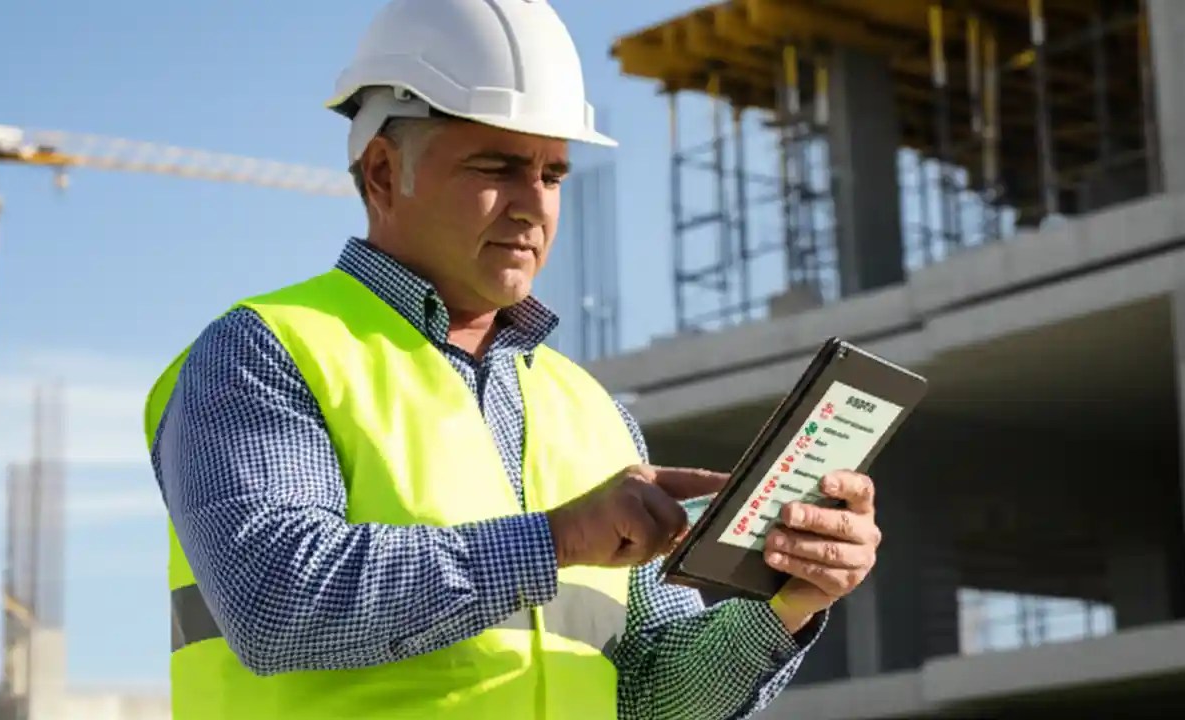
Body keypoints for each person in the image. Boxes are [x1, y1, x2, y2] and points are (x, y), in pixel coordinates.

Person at [143, 1, 883, 718]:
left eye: (553, 174)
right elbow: (276, 602)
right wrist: (558, 539)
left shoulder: (595, 414)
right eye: (497, 167)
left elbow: (653, 699)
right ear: (379, 174)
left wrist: (790, 602)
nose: (534, 205)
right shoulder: (266, 353)